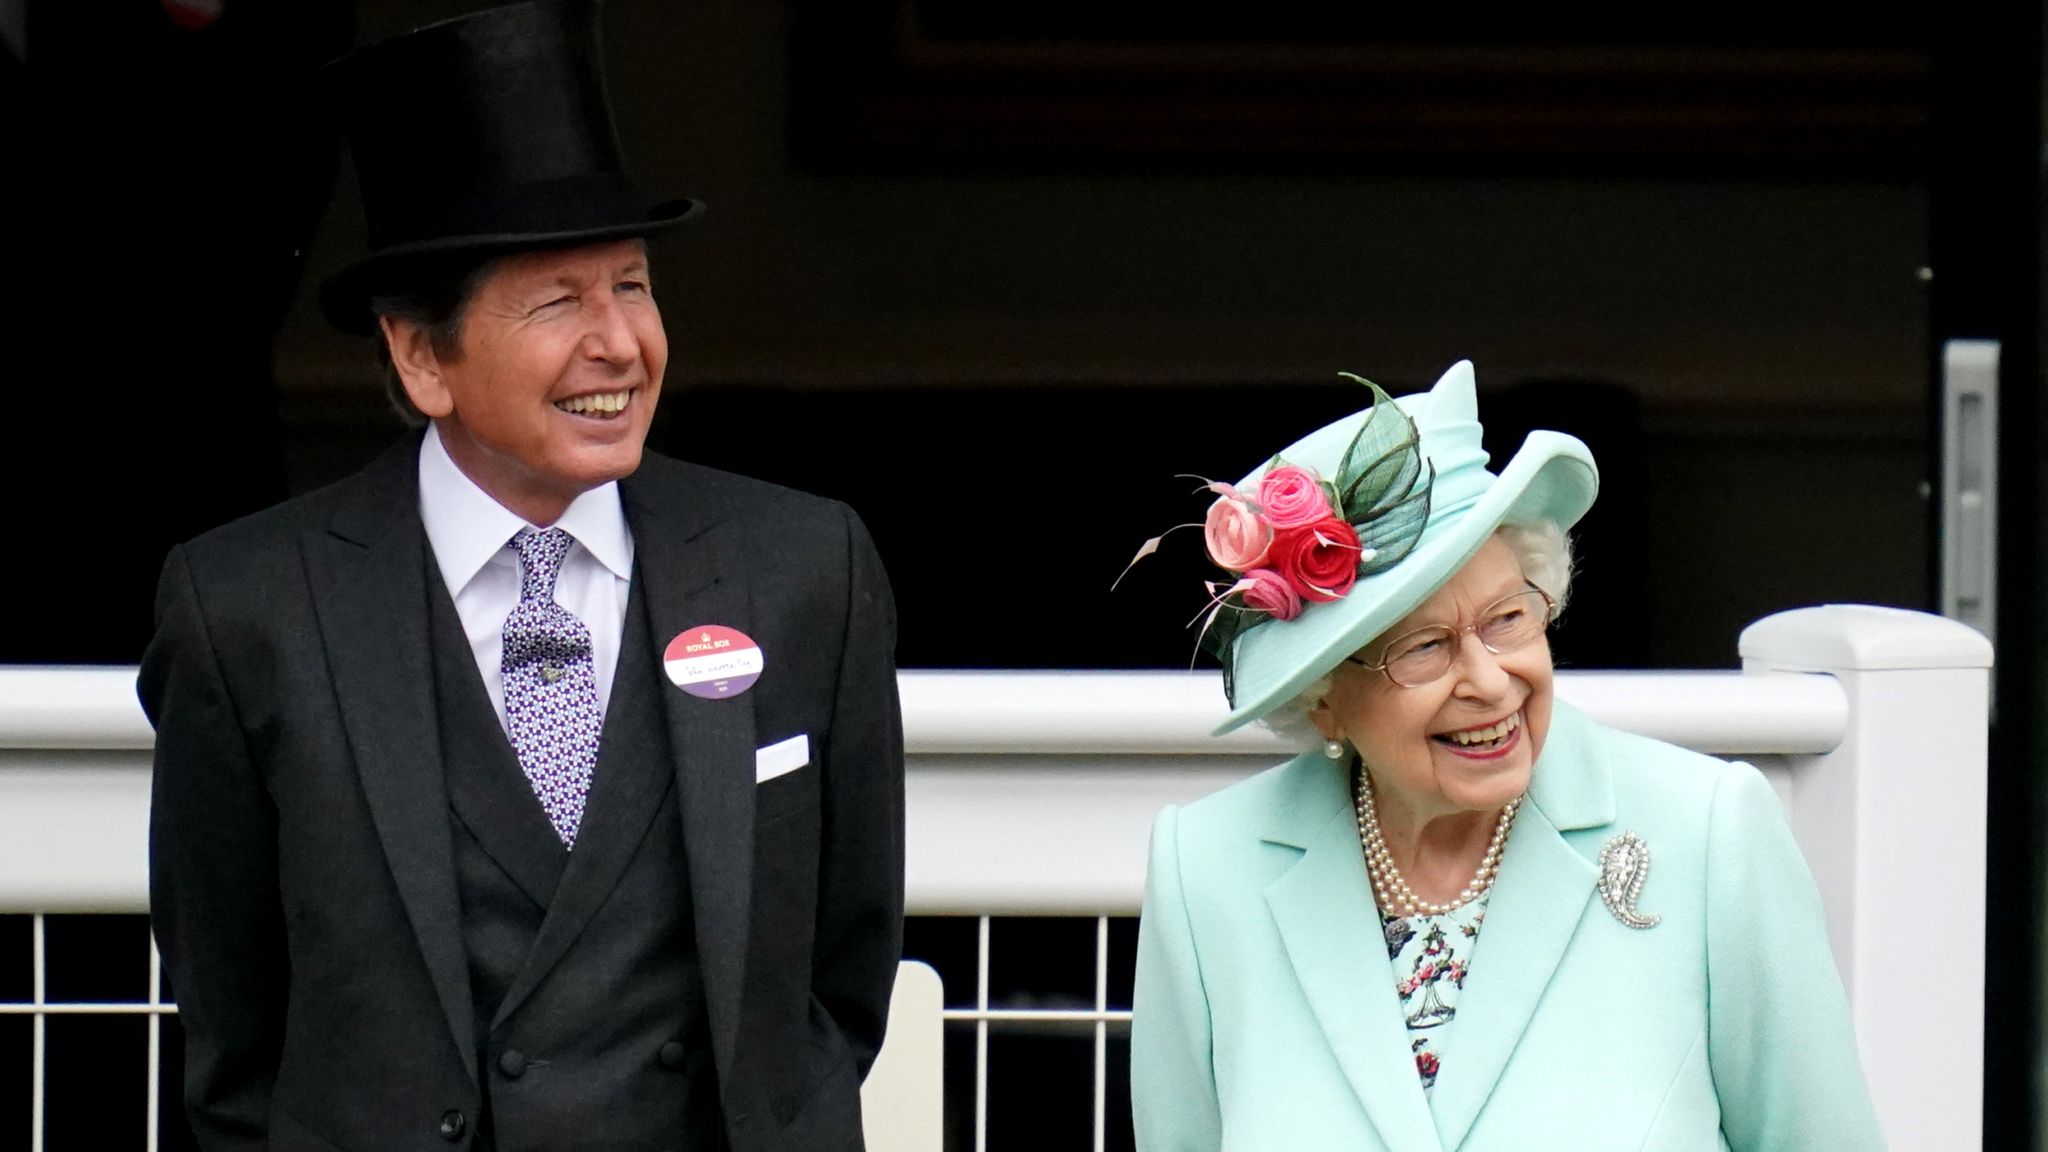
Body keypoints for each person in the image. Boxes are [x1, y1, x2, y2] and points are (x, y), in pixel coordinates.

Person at [138, 4, 903, 1149]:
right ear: (419, 354)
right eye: (557, 301)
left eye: (632, 286)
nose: (618, 343)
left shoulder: (801, 570)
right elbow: (233, 1029)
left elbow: (842, 979)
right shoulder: (249, 609)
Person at [1128, 361, 1883, 1150]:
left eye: (1508, 619)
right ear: (1323, 697)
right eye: (1424, 648)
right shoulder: (1209, 872)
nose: (1490, 682)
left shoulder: (1706, 836)